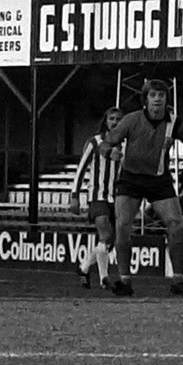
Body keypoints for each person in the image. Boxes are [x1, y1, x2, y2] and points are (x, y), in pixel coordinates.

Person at [101, 79, 183, 297]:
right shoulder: (132, 120)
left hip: (159, 179)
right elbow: (106, 142)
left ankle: (177, 280)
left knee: (176, 224)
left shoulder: (175, 122)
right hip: (130, 179)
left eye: (161, 95)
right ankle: (125, 280)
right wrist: (109, 152)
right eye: (153, 95)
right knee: (122, 225)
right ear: (146, 99)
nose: (158, 99)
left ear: (167, 99)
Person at [69, 106, 123, 290]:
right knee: (106, 234)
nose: (115, 122)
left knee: (109, 241)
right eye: (112, 118)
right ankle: (104, 277)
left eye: (118, 119)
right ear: (106, 121)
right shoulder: (94, 142)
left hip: (116, 199)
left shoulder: (124, 145)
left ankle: (85, 268)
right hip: (97, 196)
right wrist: (74, 195)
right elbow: (81, 168)